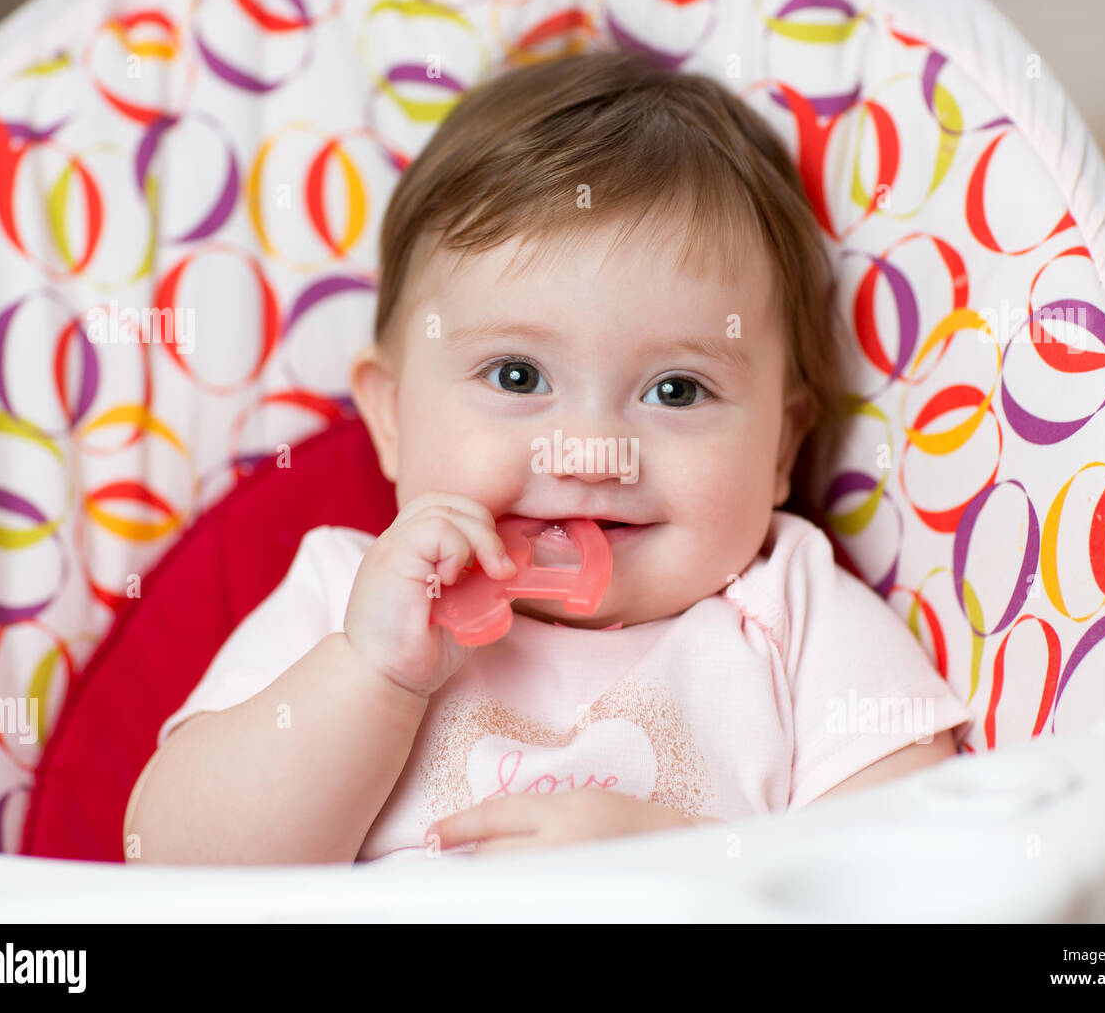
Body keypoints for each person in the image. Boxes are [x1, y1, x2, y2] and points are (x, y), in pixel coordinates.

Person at [123, 50, 974, 865]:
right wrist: (373, 674)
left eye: (677, 390)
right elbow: (173, 861)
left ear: (783, 445)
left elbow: (912, 869)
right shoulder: (349, 600)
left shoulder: (796, 613)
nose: (590, 453)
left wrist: (698, 868)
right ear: (390, 419)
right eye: (518, 374)